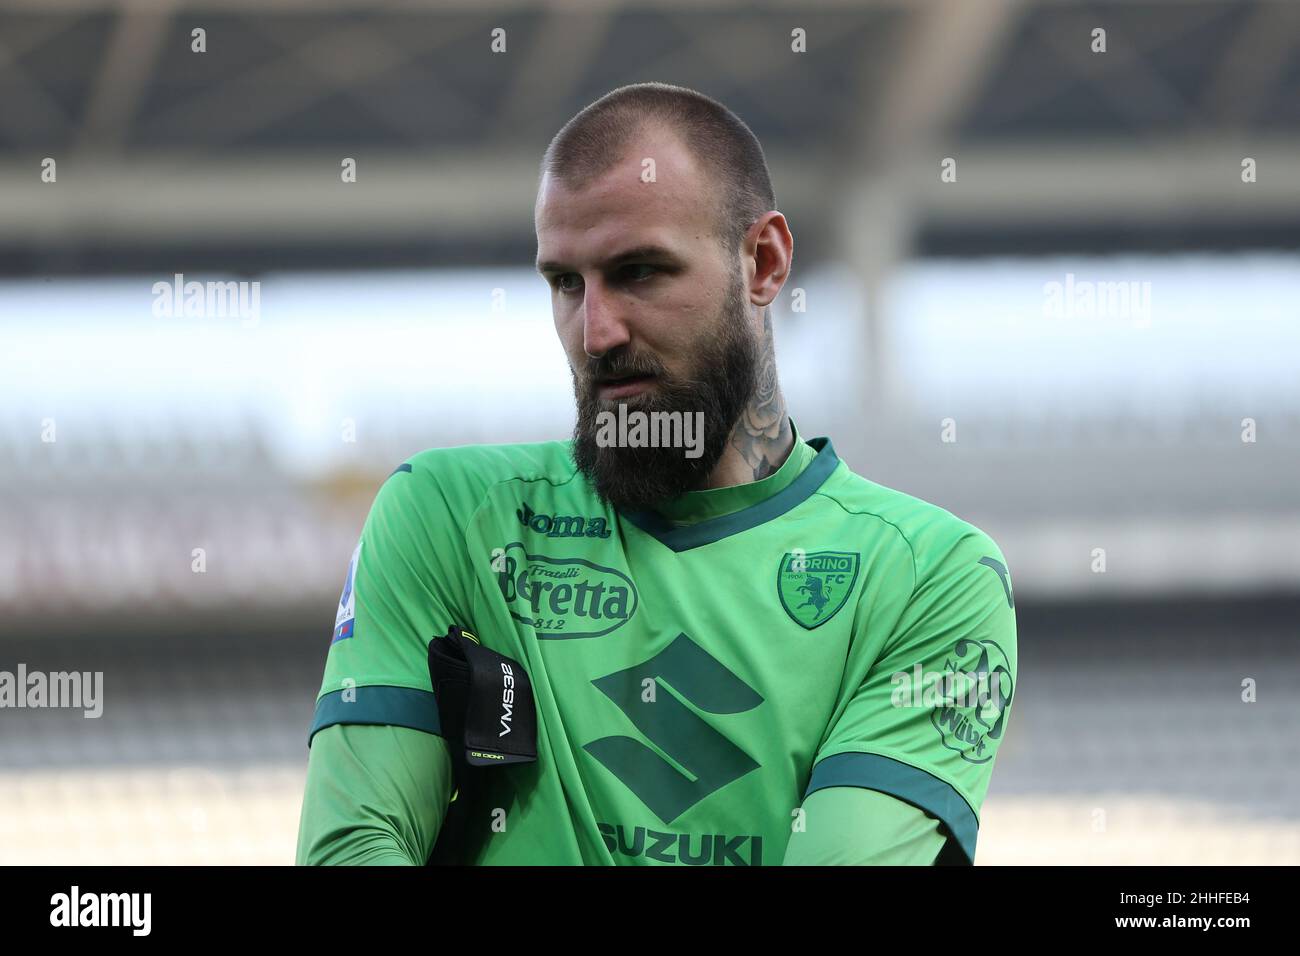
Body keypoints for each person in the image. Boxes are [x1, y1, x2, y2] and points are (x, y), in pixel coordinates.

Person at [296, 81, 1017, 866]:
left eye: (639, 272)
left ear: (764, 262)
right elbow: (351, 851)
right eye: (565, 283)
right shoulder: (447, 515)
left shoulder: (931, 576)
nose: (595, 332)